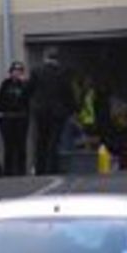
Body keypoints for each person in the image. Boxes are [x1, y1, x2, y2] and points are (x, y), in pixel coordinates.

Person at [29, 47, 75, 175]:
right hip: (58, 112)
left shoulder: (36, 71)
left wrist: (29, 105)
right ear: (57, 58)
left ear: (45, 57)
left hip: (41, 112)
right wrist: (72, 109)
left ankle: (40, 169)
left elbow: (28, 90)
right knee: (54, 141)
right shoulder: (63, 72)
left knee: (41, 140)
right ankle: (52, 168)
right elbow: (68, 92)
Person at [0, 61, 31, 176]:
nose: (16, 74)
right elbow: (0, 100)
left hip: (21, 117)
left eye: (19, 71)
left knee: (21, 145)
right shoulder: (5, 84)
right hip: (8, 117)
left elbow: (29, 99)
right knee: (9, 145)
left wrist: (24, 84)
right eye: (14, 71)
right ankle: (8, 170)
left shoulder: (25, 85)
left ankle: (22, 170)